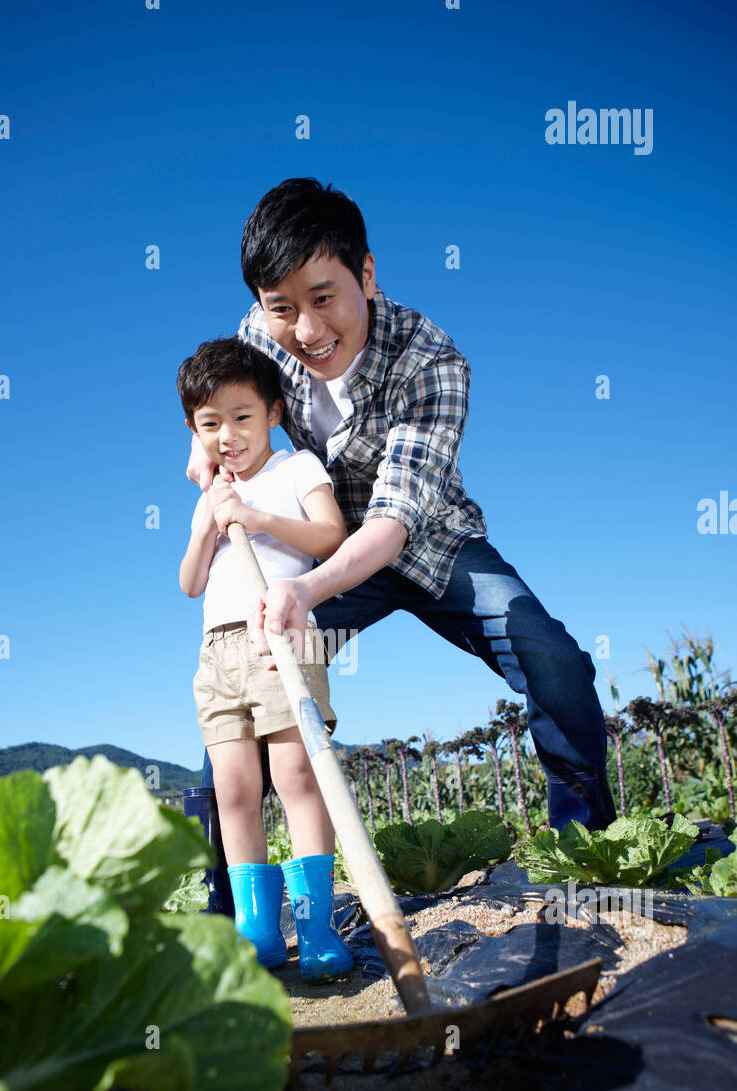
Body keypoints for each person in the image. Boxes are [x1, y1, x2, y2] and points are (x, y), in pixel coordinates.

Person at [186, 179, 618, 918]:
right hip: (318, 557)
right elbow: (217, 411)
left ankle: (582, 864)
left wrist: (306, 593)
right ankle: (219, 917)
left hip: (424, 547)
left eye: (325, 298)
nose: (305, 328)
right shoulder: (259, 337)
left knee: (550, 656)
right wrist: (204, 459)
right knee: (252, 698)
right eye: (282, 307)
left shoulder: (431, 361)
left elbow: (390, 524)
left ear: (368, 275)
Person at [178, 336, 354, 982]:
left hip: (278, 636)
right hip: (217, 651)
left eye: (242, 417)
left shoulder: (294, 470)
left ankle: (315, 925)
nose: (229, 435)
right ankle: (257, 930)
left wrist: (255, 520)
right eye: (210, 424)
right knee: (234, 789)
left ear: (274, 413)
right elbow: (190, 583)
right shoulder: (213, 495)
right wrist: (207, 524)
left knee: (296, 777)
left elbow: (331, 536)